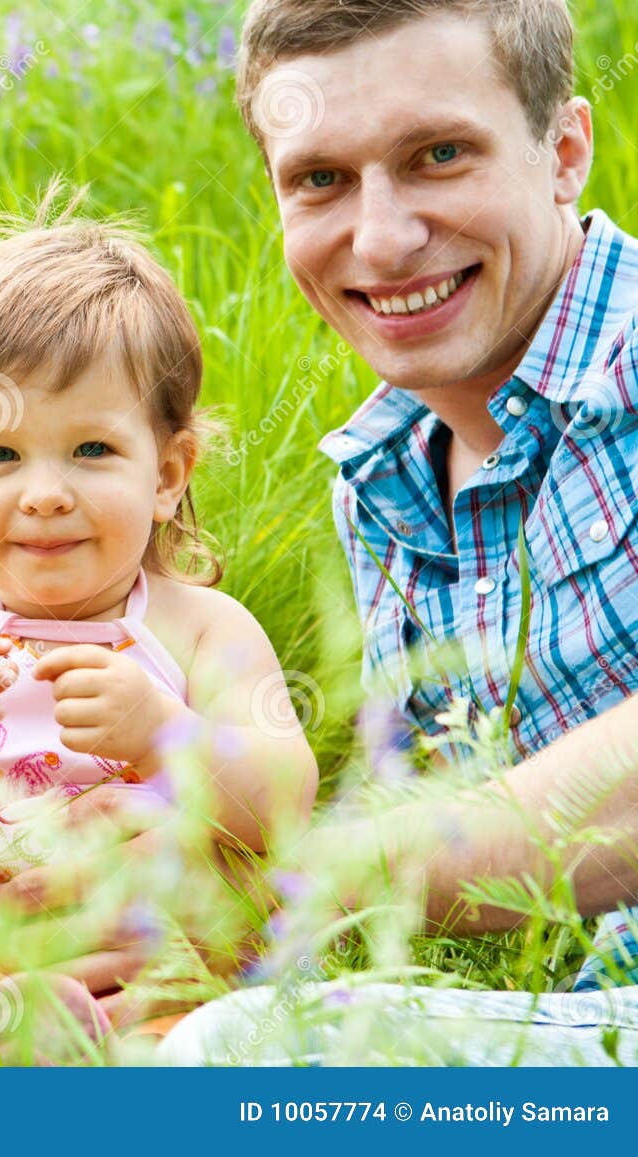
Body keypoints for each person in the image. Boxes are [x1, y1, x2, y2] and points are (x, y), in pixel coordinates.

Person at [154, 0, 638, 1064]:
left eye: (438, 155)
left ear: (563, 152)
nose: (379, 237)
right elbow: (421, 825)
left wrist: (300, 878)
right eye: (320, 179)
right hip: (583, 1032)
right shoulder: (380, 481)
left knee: (237, 1059)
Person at [0, 196, 318, 986]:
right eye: (1, 455)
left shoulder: (203, 630)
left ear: (168, 474)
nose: (44, 493)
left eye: (90, 448)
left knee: (214, 1038)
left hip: (173, 960)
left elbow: (283, 801)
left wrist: (164, 733)